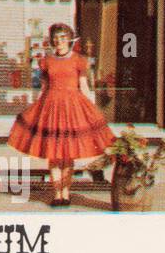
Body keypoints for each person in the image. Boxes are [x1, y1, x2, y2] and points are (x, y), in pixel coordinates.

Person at [8, 23, 115, 207]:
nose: (59, 42)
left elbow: (84, 86)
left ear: (70, 40)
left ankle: (66, 193)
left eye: (63, 38)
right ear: (52, 41)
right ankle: (57, 194)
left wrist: (93, 110)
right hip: (51, 107)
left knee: (68, 154)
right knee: (54, 154)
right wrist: (36, 109)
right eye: (56, 38)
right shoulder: (46, 61)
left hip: (73, 108)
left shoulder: (78, 60)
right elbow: (43, 88)